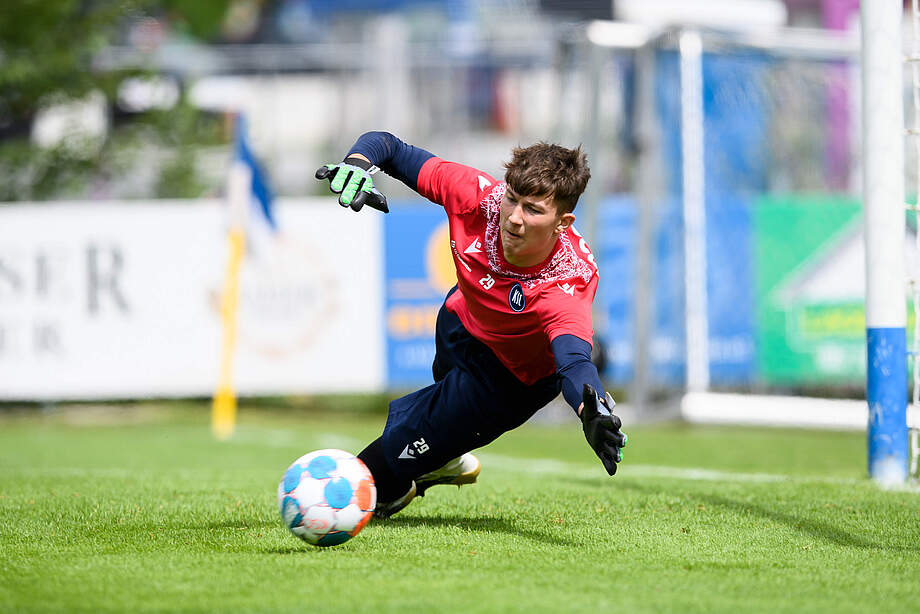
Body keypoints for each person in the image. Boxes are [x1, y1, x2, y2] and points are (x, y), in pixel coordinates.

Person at [315, 132, 627, 518]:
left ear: (563, 223)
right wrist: (357, 163)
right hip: (462, 322)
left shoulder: (566, 282)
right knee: (442, 393)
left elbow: (574, 360)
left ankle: (399, 478)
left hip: (509, 380)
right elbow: (389, 148)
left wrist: (591, 410)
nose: (513, 217)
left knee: (369, 475)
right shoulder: (478, 196)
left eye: (532, 210)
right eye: (512, 197)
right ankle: (441, 451)